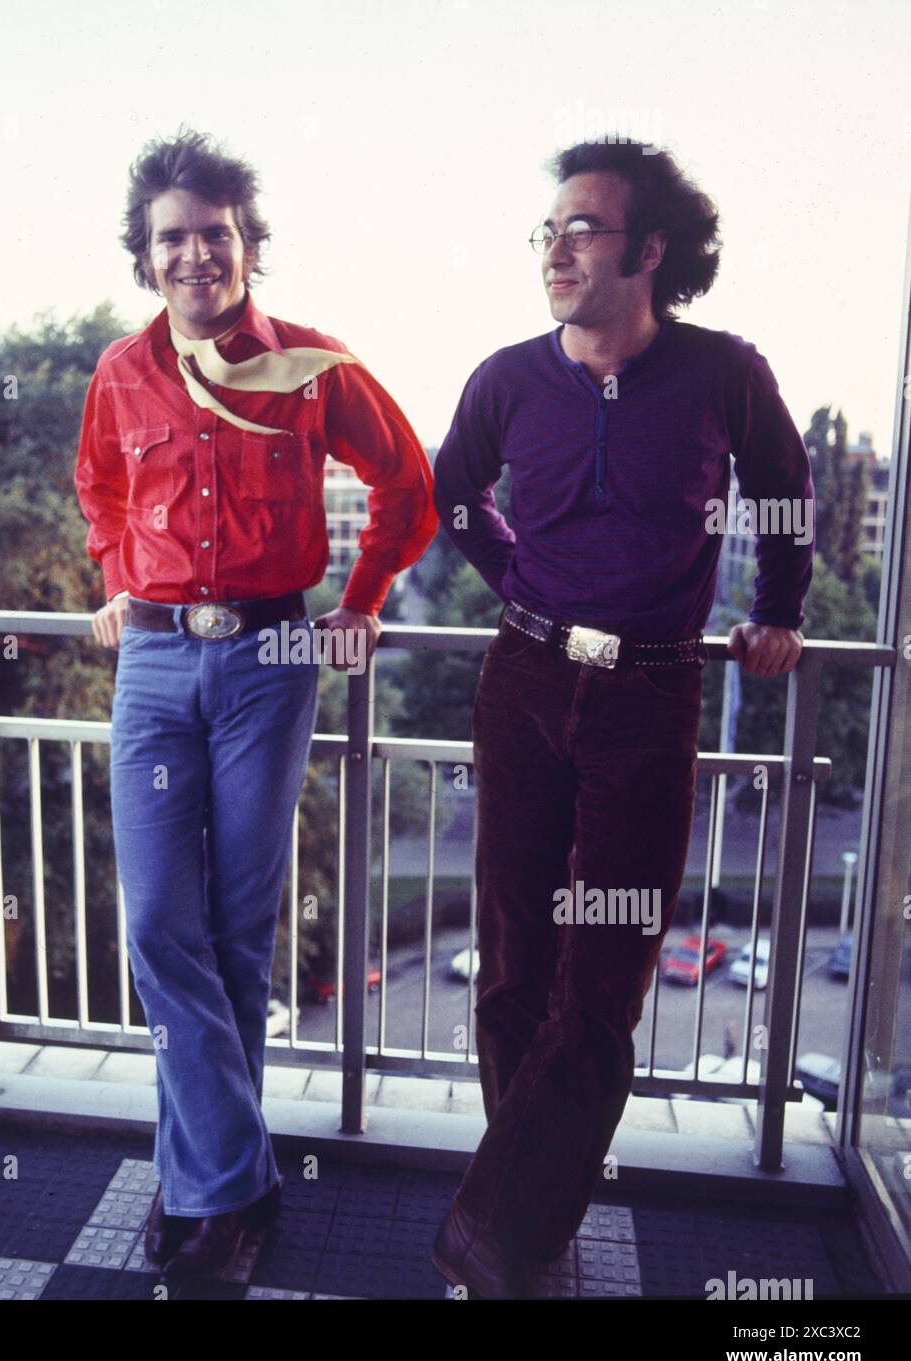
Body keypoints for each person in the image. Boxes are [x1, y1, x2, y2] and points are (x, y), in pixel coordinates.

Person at [430, 138, 814, 1298]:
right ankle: (530, 1236)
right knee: (513, 965)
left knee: (604, 978)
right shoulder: (505, 378)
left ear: (650, 250)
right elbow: (453, 498)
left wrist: (781, 610)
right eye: (549, 227)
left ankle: (496, 1224)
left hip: (654, 691)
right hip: (526, 681)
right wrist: (525, 597)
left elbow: (790, 491)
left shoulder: (722, 374)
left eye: (584, 227)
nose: (558, 246)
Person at [73, 129, 436, 1278]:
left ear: (248, 247)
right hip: (159, 663)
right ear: (146, 256)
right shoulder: (119, 375)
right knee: (155, 923)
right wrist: (115, 578)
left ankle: (209, 1199)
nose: (195, 256)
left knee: (236, 929)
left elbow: (408, 484)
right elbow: (101, 485)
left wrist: (366, 599)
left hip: (274, 658)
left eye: (214, 236)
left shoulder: (312, 366)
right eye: (172, 238)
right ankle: (236, 1180)